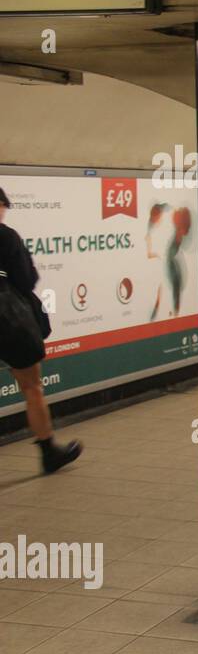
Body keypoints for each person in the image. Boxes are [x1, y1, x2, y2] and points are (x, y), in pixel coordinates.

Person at [0, 187, 82, 474]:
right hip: (7, 321)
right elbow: (25, 279)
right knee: (32, 387)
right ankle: (49, 453)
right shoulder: (6, 236)